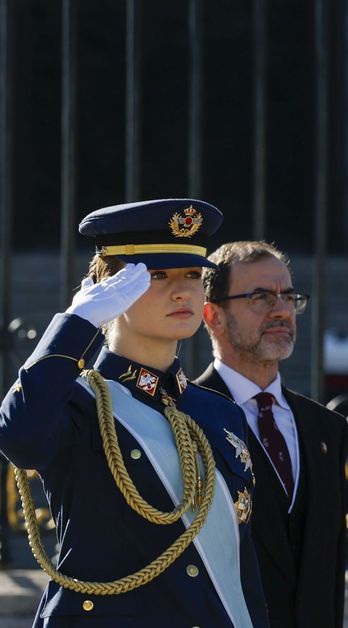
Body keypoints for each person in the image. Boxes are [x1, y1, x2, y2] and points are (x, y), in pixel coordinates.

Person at [0, 199, 269, 626]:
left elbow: (241, 569)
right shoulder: (74, 401)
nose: (181, 290)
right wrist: (77, 322)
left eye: (193, 276)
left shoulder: (219, 413)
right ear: (108, 287)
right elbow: (20, 438)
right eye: (157, 276)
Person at [195, 241, 348, 628]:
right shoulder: (184, 419)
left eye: (288, 296)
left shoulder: (326, 428)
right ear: (213, 316)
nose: (282, 310)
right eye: (261, 297)